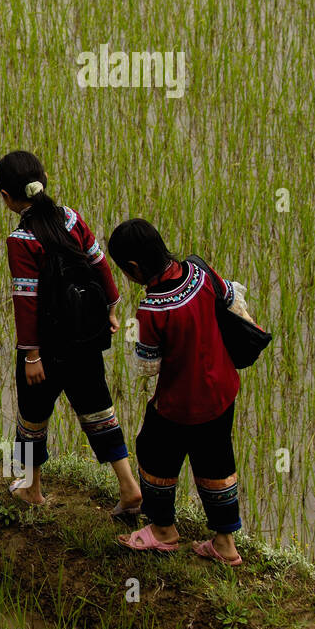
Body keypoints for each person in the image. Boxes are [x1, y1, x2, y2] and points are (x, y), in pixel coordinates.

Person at [0, 150, 141, 511]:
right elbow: (99, 264)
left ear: (6, 198)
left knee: (33, 417)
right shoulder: (71, 219)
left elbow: (25, 300)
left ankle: (32, 489)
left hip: (46, 346)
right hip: (84, 338)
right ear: (43, 180)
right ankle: (128, 486)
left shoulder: (21, 239)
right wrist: (109, 309)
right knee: (97, 409)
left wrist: (31, 355)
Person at [108, 218, 244, 565]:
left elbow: (147, 367)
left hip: (180, 403)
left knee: (154, 454)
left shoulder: (153, 309)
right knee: (215, 460)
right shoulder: (199, 272)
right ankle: (225, 543)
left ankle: (163, 531)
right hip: (221, 392)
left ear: (135, 267)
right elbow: (231, 296)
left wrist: (132, 336)